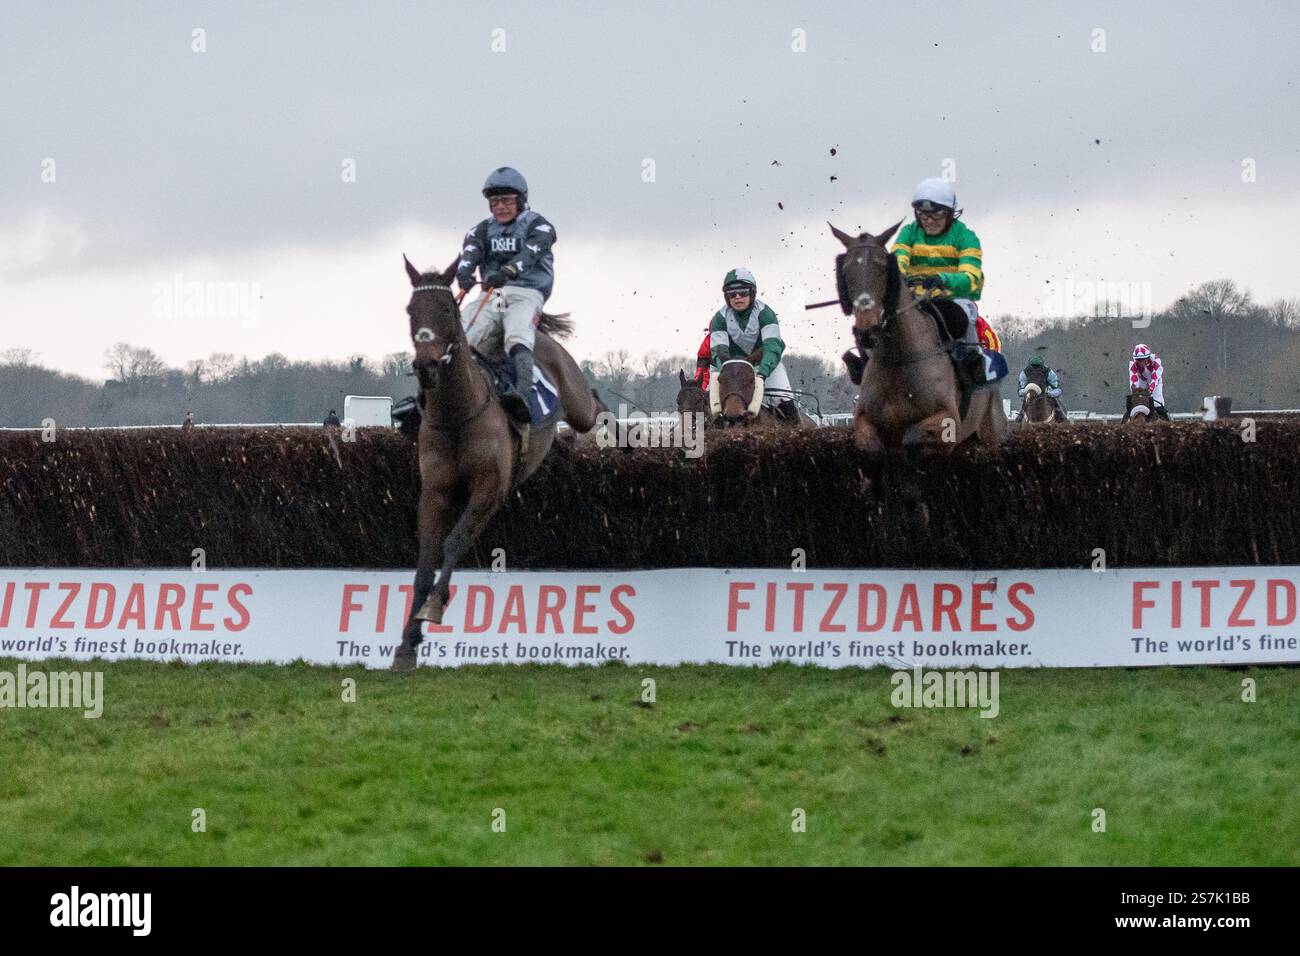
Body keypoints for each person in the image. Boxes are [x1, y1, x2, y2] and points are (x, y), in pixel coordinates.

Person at [455, 167, 557, 424]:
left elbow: (532, 252)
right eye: (494, 202)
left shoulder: (538, 225)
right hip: (494, 294)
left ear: (520, 201)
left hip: (527, 292)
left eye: (507, 201)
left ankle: (521, 394)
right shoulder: (479, 230)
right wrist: (464, 274)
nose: (500, 207)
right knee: (464, 331)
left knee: (517, 332)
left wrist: (509, 270)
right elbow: (469, 254)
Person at [708, 267, 799, 421]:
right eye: (732, 294)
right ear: (726, 297)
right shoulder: (719, 318)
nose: (737, 297)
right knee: (709, 405)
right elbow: (718, 351)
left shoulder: (765, 313)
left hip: (763, 365)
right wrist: (727, 370)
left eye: (743, 293)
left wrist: (762, 373)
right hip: (731, 369)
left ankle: (799, 434)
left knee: (784, 400)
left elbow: (772, 347)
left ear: (752, 293)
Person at [1129, 344, 1169, 420]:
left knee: (1157, 404)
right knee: (1134, 401)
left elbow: (1155, 378)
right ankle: (1125, 421)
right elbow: (1133, 379)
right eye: (1138, 360)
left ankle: (1167, 422)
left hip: (1155, 381)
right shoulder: (1133, 363)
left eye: (1143, 359)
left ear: (1147, 357)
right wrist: (1134, 390)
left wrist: (1150, 389)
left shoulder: (1156, 360)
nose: (1141, 362)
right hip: (1142, 380)